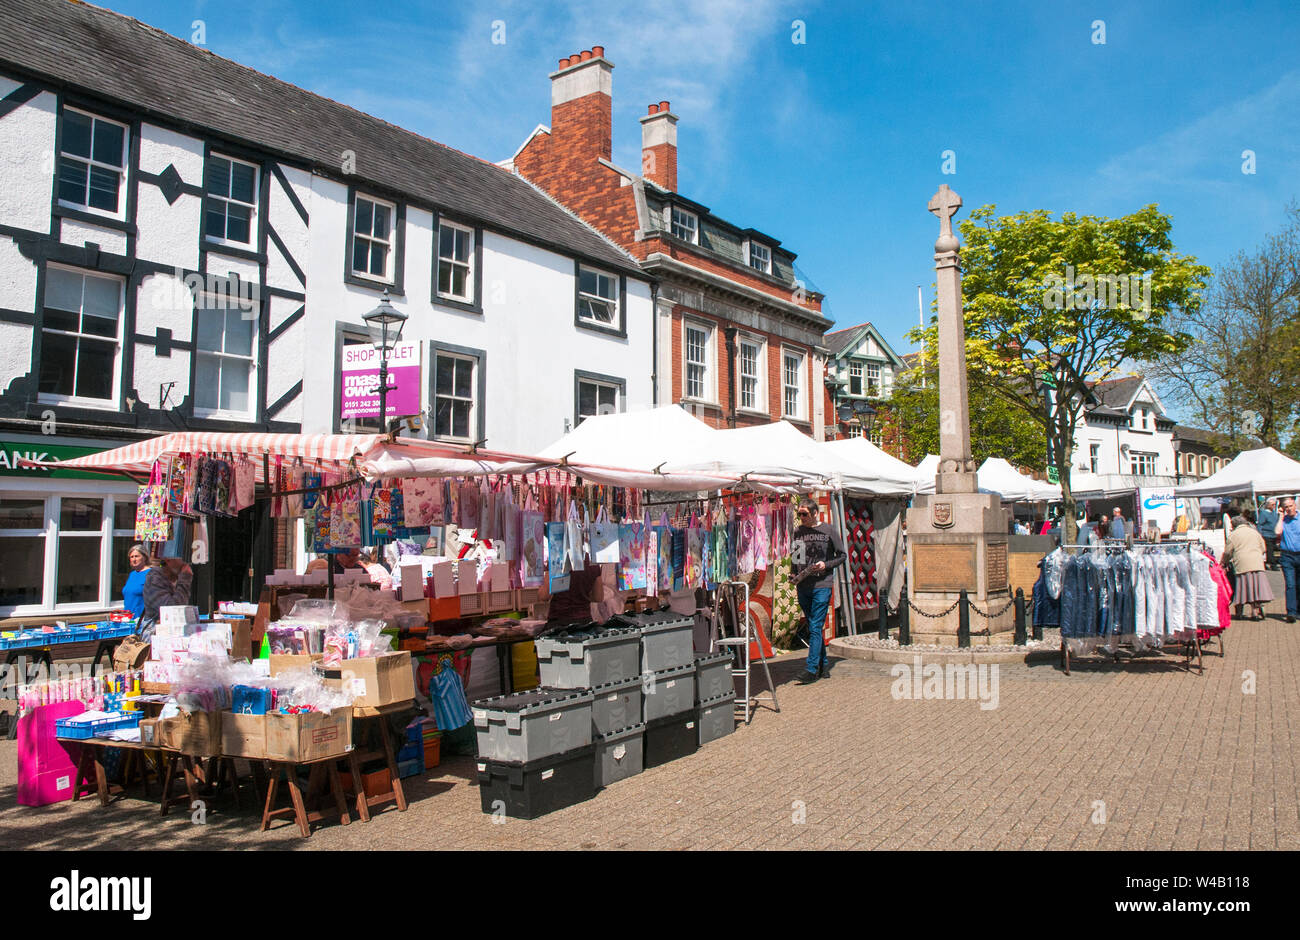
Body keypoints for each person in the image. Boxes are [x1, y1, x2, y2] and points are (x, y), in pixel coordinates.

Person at [791, 497, 847, 684]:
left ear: (815, 513)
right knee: (813, 625)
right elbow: (796, 556)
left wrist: (826, 564)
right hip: (803, 585)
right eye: (799, 514)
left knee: (815, 626)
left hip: (822, 584)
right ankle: (823, 662)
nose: (801, 517)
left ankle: (811, 669)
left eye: (805, 514)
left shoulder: (829, 530)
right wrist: (793, 574)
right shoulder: (798, 532)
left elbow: (842, 555)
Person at [1223, 510, 1273, 621]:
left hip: (1242, 564)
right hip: (1257, 563)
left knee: (1242, 588)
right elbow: (1263, 548)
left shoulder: (1233, 535)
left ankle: (1239, 612)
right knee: (1255, 589)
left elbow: (1227, 552)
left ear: (1234, 525)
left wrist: (1224, 562)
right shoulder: (1255, 532)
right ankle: (1254, 612)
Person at [138, 550, 193, 643]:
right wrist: (185, 580)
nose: (187, 564)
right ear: (168, 560)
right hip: (155, 638)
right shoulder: (155, 578)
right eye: (183, 559)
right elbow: (171, 609)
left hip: (174, 636)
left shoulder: (176, 577)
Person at [1275, 497, 1300, 624]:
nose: (1289, 509)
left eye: (1290, 506)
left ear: (1295, 505)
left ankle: (1298, 610)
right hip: (1287, 556)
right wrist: (1280, 517)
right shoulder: (1283, 520)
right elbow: (1277, 532)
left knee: (1299, 584)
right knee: (1290, 584)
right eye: (1286, 507)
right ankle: (1291, 612)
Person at [121, 544, 151, 621]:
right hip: (128, 619)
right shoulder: (132, 574)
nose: (134, 559)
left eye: (137, 556)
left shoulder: (151, 574)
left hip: (142, 620)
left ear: (144, 557)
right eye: (132, 557)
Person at [1258, 498, 1280, 570]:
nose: (1274, 506)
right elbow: (1260, 524)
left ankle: (1269, 562)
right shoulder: (1264, 513)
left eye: (1274, 504)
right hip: (1266, 534)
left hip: (1274, 535)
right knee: (1270, 550)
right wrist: (1260, 534)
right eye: (1272, 504)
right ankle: (1273, 565)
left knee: (1273, 550)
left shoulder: (1274, 513)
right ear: (1268, 505)